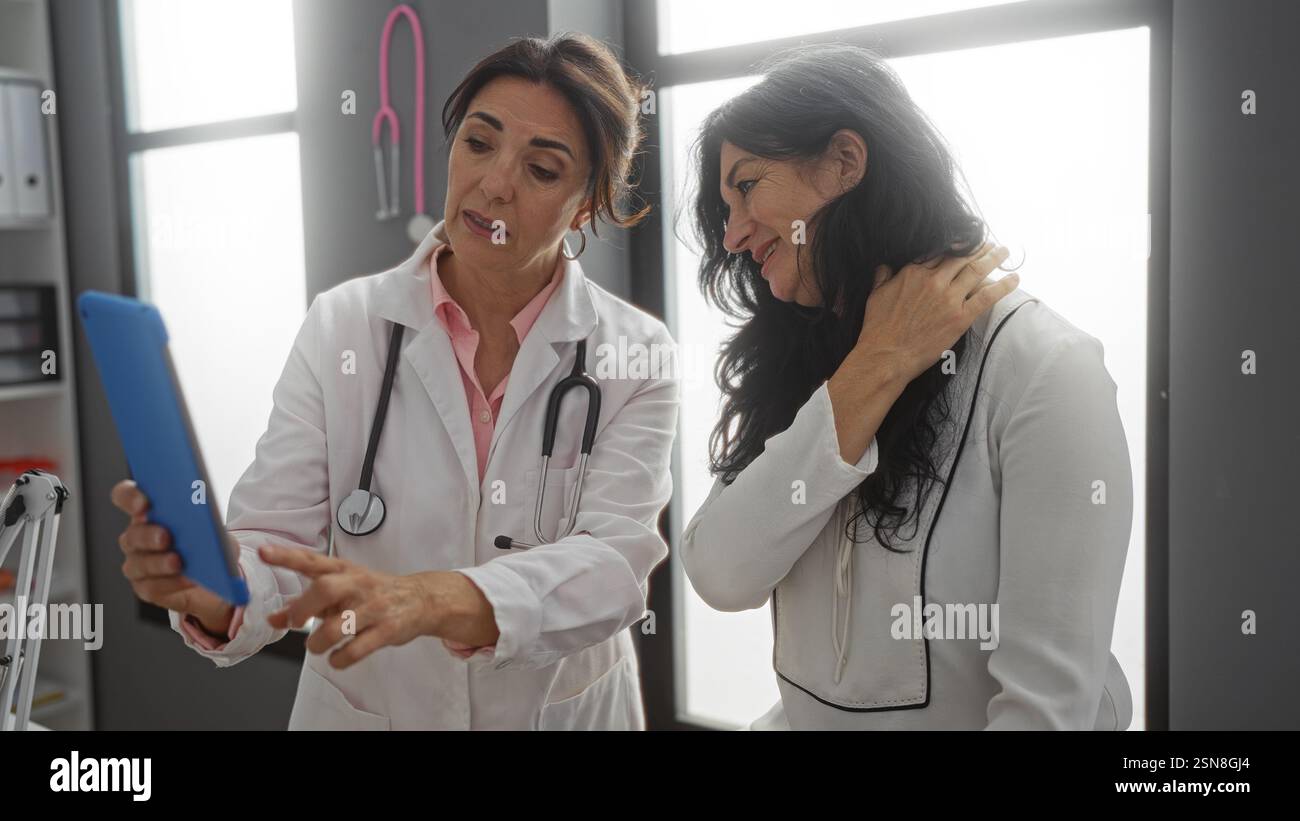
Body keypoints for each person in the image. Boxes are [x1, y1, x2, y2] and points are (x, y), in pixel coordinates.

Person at [111, 33, 677, 730]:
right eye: (479, 142)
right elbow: (273, 542)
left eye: (542, 169)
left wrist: (436, 599)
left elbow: (614, 565)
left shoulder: (635, 353)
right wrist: (214, 591)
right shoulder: (343, 325)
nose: (495, 183)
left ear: (588, 203)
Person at [680, 44, 1133, 730]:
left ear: (844, 161)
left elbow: (1046, 715)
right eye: (724, 205)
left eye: (746, 185)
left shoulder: (1047, 370)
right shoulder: (804, 356)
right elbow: (720, 570)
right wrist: (878, 362)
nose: (735, 233)